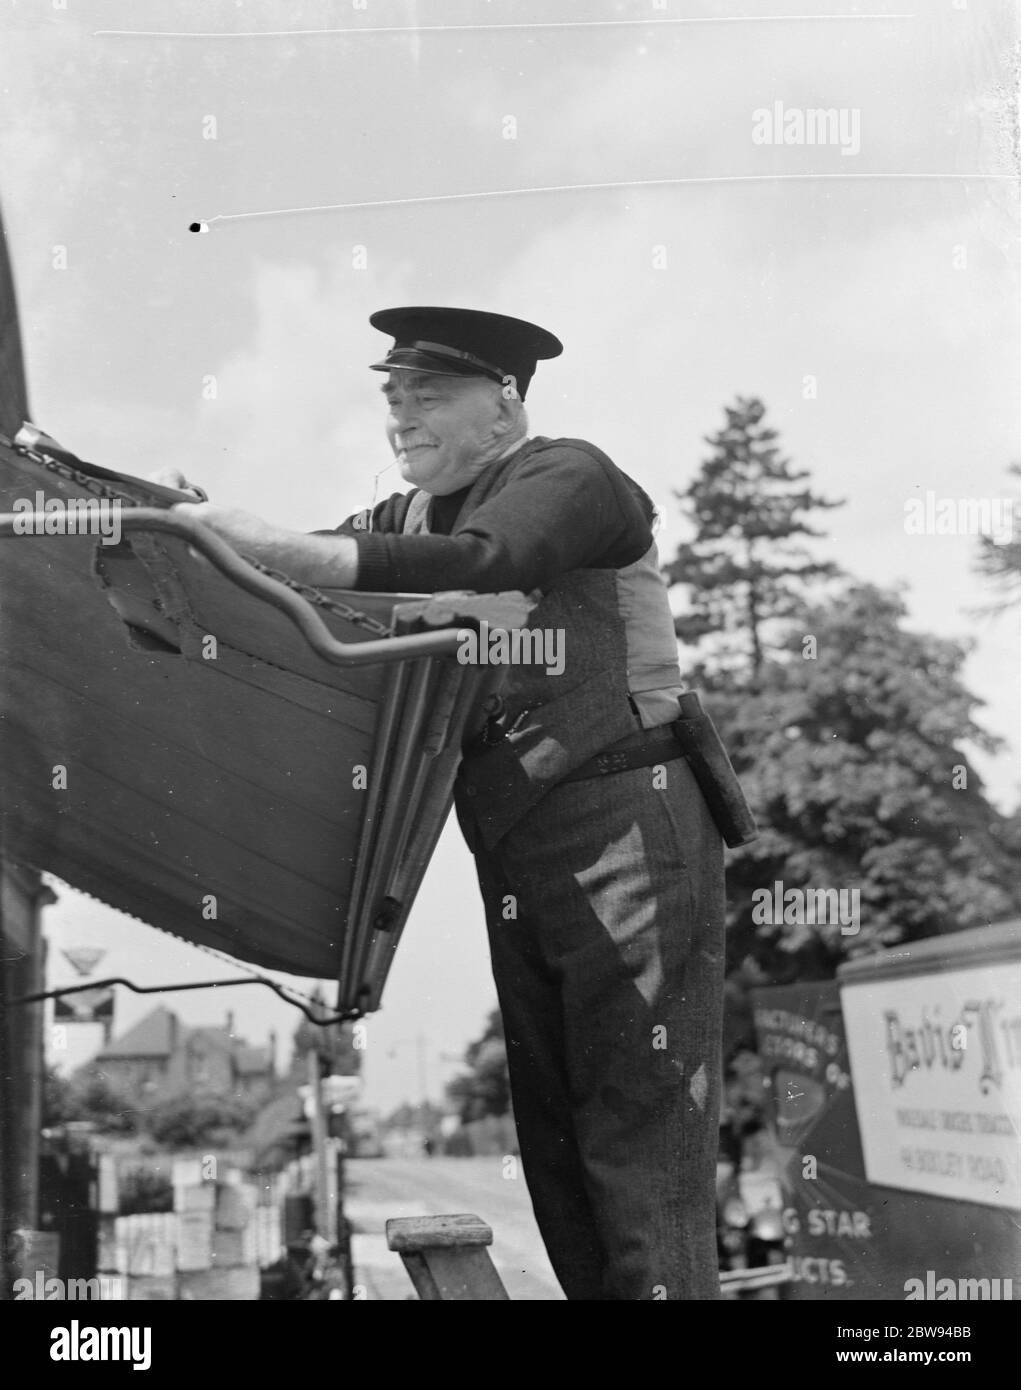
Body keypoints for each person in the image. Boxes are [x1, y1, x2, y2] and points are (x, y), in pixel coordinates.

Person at [160, 306, 727, 1300]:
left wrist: (280, 550)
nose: (399, 417)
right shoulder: (409, 518)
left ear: (504, 401)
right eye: (390, 397)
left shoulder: (571, 478)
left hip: (632, 826)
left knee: (639, 1143)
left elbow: (489, 562)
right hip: (519, 845)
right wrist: (200, 547)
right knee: (557, 1152)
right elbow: (306, 580)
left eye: (427, 396)